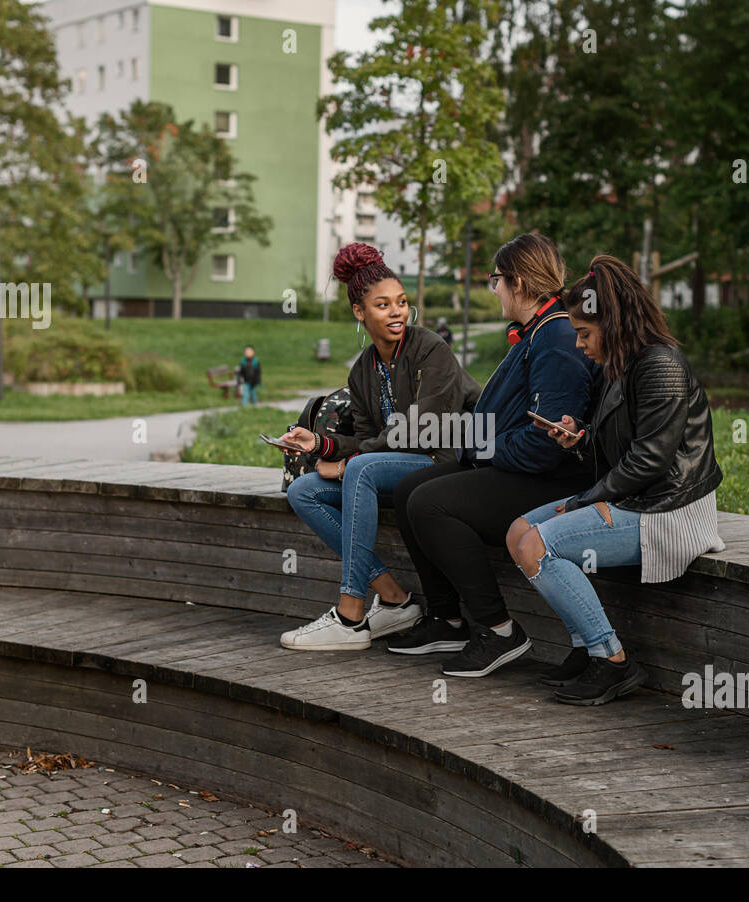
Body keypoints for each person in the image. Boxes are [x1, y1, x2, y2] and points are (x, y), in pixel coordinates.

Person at [505, 253, 726, 706]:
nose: (579, 345)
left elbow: (651, 458)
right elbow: (625, 448)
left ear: (613, 322)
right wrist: (579, 439)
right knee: (518, 532)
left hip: (669, 511)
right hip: (637, 498)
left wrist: (588, 499)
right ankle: (586, 647)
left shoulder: (660, 365)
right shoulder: (621, 366)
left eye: (584, 333)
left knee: (536, 545)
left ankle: (614, 661)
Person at [386, 233, 603, 677]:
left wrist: (479, 449)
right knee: (410, 489)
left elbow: (546, 441)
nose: (495, 289)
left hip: (553, 479)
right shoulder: (539, 332)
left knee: (431, 502)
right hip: (519, 466)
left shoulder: (558, 335)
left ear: (518, 282)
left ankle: (499, 630)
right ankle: (446, 620)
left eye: (496, 280)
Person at [276, 243, 481, 651]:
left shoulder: (430, 349)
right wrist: (321, 443)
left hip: (451, 461)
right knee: (304, 491)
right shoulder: (363, 370)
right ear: (360, 312)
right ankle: (393, 597)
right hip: (398, 469)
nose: (397, 312)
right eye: (383, 305)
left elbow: (427, 427)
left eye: (402, 303)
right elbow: (368, 437)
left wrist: (351, 461)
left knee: (362, 469)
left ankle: (350, 616)